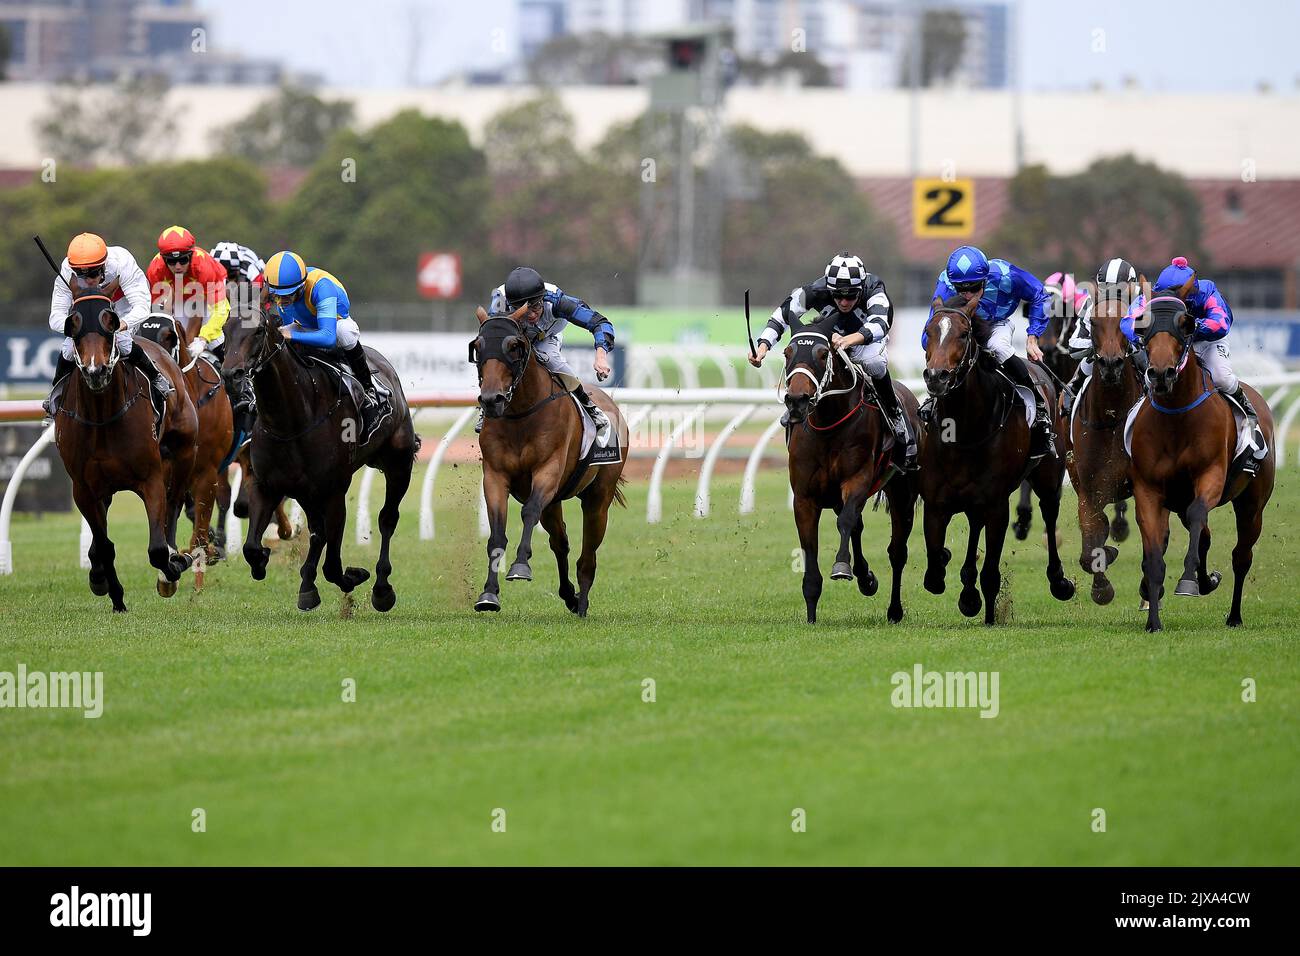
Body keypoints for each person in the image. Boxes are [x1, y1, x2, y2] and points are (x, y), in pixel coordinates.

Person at [750, 253, 916, 471]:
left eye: (851, 296)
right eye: (838, 296)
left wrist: (849, 340)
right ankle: (798, 403)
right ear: (829, 289)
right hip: (832, 333)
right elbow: (782, 315)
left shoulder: (873, 288)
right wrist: (762, 347)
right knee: (807, 349)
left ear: (861, 288)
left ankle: (894, 413)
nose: (845, 302)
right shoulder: (815, 290)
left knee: (874, 363)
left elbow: (879, 324)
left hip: (866, 337)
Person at [922, 245, 1056, 458]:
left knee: (998, 347)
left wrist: (1033, 335)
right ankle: (935, 406)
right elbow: (932, 326)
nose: (967, 295)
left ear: (985, 279)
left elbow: (1042, 295)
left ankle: (1039, 408)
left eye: (974, 288)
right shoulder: (946, 283)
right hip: (961, 328)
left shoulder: (1006, 275)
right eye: (960, 289)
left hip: (996, 324)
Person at [1128, 255, 1262, 453]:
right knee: (1151, 378)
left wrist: (1189, 326)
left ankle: (1249, 413)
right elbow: (1128, 322)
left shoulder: (1207, 291)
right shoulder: (1152, 297)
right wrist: (1151, 331)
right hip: (1170, 343)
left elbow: (1221, 323)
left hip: (1206, 341)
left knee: (1221, 377)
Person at [262, 250, 389, 441]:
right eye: (277, 295)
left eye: (286, 295)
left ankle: (369, 388)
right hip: (304, 325)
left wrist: (290, 335)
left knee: (345, 333)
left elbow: (328, 337)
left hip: (333, 325)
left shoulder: (322, 287)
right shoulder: (277, 288)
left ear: (301, 286)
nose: (281, 301)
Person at [43, 232, 172, 418]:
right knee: (68, 350)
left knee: (124, 344)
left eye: (94, 273)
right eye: (81, 274)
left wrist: (121, 325)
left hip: (121, 305)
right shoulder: (66, 270)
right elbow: (55, 316)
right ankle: (55, 394)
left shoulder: (122, 262)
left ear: (104, 265)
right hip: (87, 313)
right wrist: (75, 328)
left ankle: (156, 378)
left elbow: (142, 307)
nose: (87, 280)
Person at [482, 267, 614, 441]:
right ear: (512, 305)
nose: (531, 314)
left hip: (547, 336)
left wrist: (601, 355)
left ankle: (589, 406)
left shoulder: (557, 300)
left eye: (536, 306)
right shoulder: (500, 301)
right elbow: (492, 336)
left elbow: (600, 323)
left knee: (553, 361)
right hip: (514, 338)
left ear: (543, 298)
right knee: (495, 364)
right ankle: (484, 410)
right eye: (523, 308)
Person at [1060, 258, 1147, 415]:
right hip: (1102, 357)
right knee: (1092, 356)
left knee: (1144, 355)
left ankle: (1153, 389)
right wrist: (1099, 346)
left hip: (1136, 353)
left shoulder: (1142, 301)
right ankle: (1074, 388)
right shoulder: (1091, 303)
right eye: (1107, 287)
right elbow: (1074, 347)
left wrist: (1130, 345)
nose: (1111, 293)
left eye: (1117, 288)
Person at [145, 225, 232, 366]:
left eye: (183, 260)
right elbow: (160, 313)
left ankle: (239, 379)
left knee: (216, 340)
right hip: (179, 296)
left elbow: (220, 310)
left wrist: (204, 338)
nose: (178, 266)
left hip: (205, 293)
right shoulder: (156, 269)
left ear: (191, 255)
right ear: (164, 260)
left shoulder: (204, 267)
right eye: (172, 261)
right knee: (173, 340)